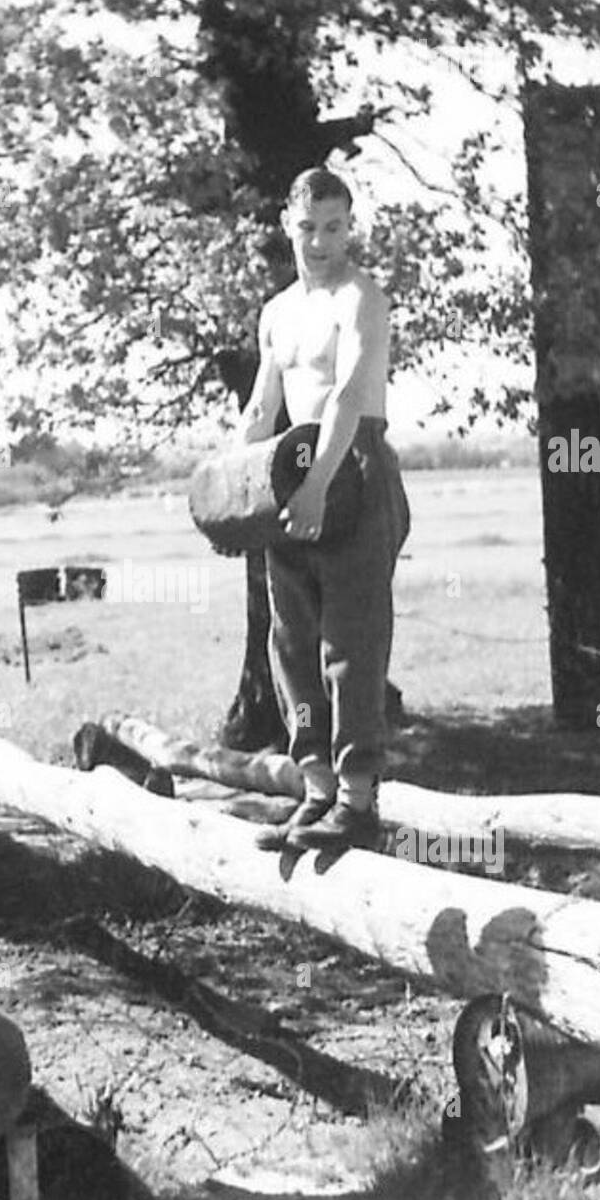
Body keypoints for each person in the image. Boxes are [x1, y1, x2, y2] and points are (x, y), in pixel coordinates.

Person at [238, 167, 410, 851]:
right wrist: (231, 490)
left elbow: (346, 394)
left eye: (334, 227)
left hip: (354, 469)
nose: (320, 241)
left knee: (351, 639)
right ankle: (315, 792)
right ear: (288, 223)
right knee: (292, 639)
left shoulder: (362, 298)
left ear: (350, 226)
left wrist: (319, 487)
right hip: (291, 468)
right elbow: (259, 409)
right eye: (308, 227)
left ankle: (358, 801)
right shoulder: (278, 312)